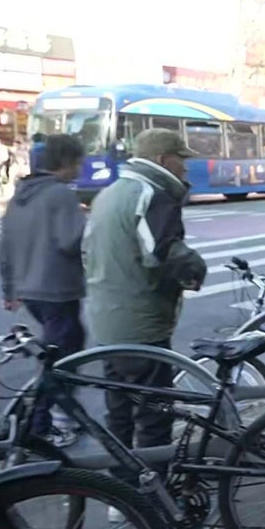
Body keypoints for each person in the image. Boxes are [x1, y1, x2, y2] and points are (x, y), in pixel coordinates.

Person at [83, 128, 206, 502]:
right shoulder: (152, 194)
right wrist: (196, 270)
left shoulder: (109, 194)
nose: (186, 168)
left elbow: (86, 251)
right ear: (162, 160)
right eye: (181, 159)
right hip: (140, 325)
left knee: (119, 413)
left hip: (107, 321)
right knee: (153, 415)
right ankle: (154, 500)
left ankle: (120, 493)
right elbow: (164, 251)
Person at [0, 134, 88, 448]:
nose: (81, 168)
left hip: (29, 289)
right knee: (62, 358)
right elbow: (71, 241)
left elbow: (4, 248)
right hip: (58, 288)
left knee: (57, 353)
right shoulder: (60, 195)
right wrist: (87, 223)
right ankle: (42, 425)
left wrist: (10, 289)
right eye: (79, 162)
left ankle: (59, 417)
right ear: (67, 162)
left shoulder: (21, 194)